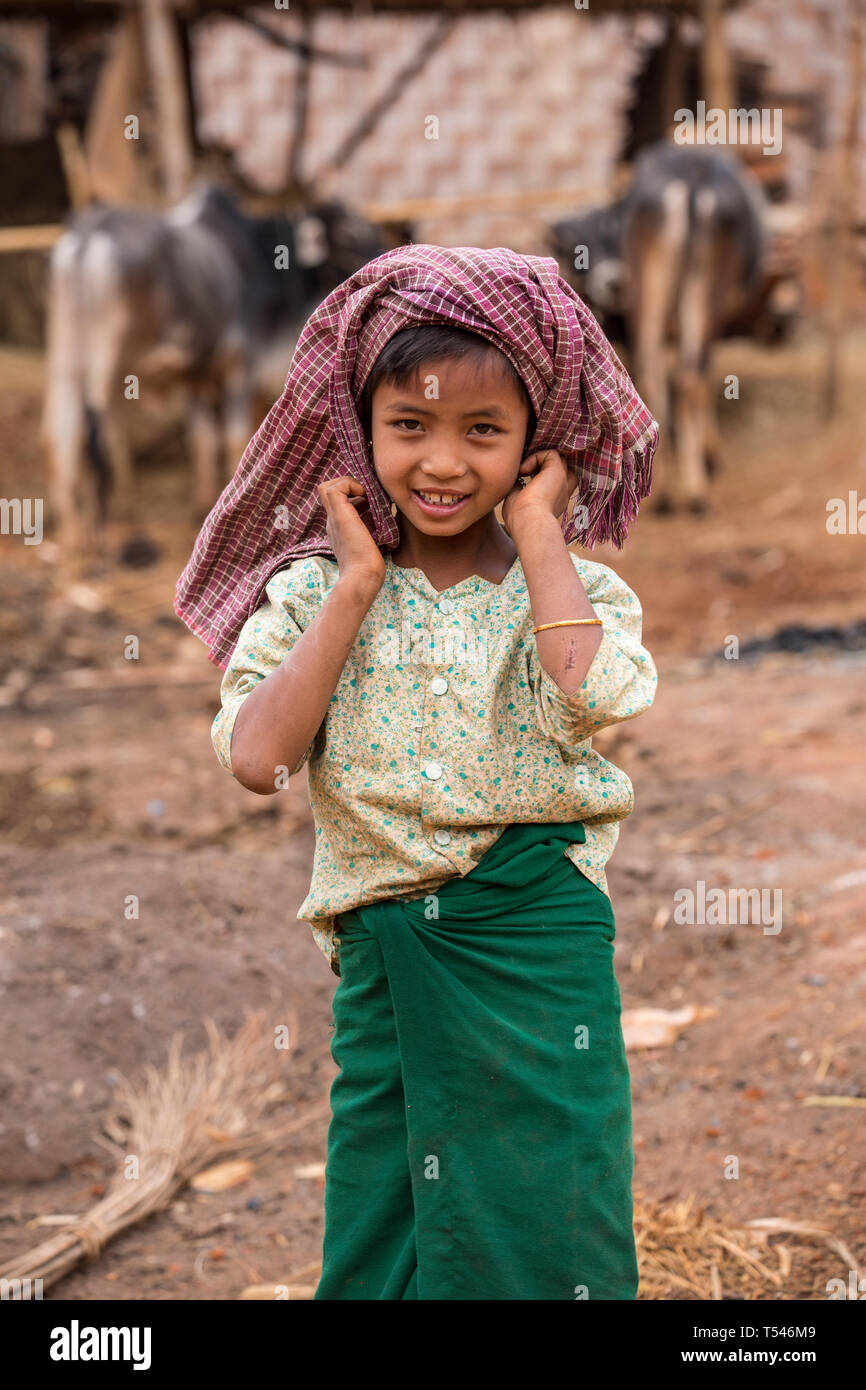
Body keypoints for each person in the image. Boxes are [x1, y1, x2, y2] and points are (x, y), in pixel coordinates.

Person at [174, 243, 659, 1300]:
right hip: (389, 955)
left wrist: (538, 532)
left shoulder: (574, 590)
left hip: (536, 942)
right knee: (385, 1220)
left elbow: (588, 692)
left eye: (483, 432)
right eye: (410, 427)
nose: (443, 463)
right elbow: (258, 758)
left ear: (535, 444)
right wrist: (351, 583)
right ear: (358, 430)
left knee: (557, 1205)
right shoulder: (309, 597)